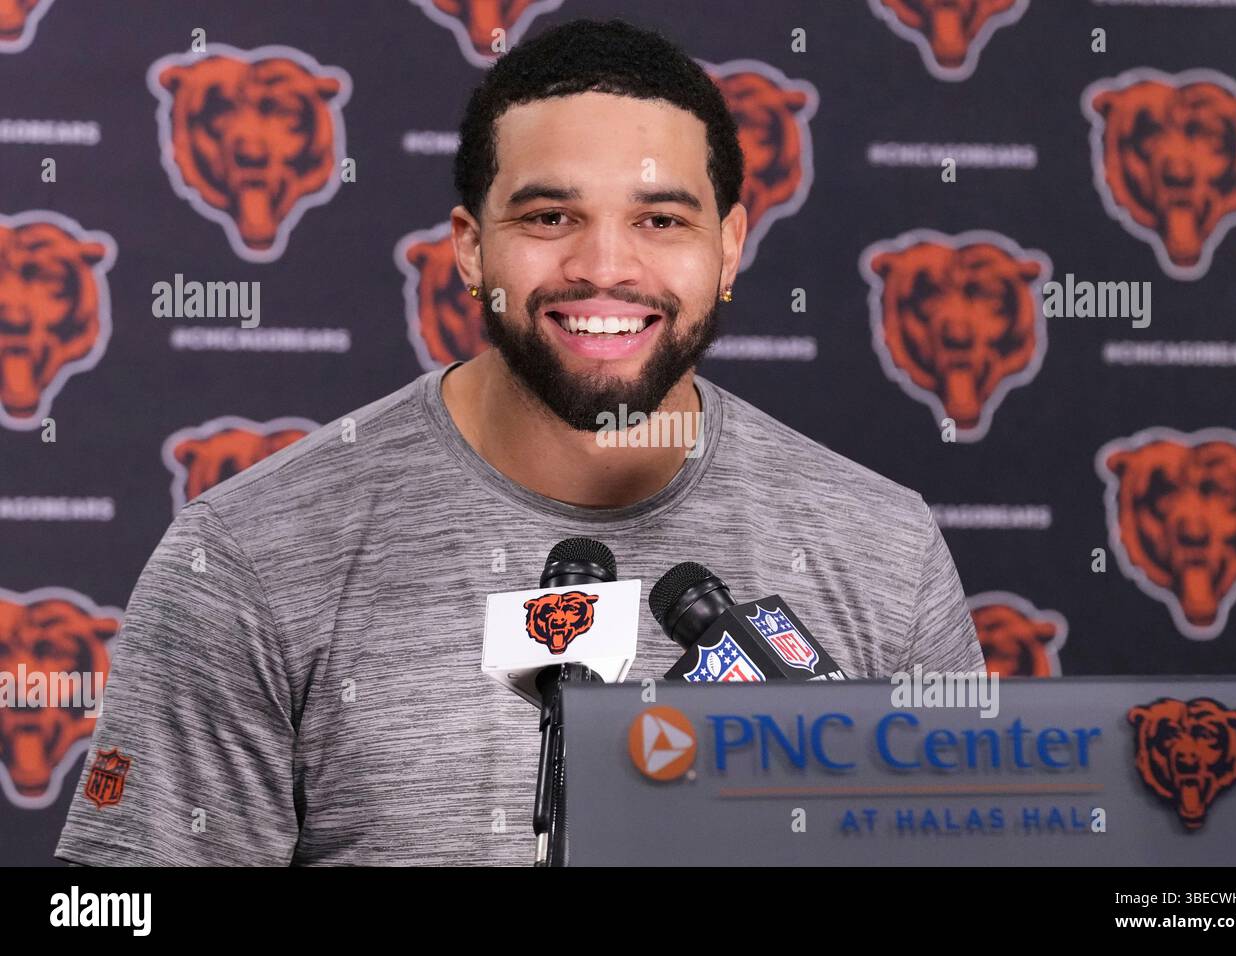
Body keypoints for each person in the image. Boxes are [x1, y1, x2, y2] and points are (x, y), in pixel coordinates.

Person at [57, 16, 983, 866]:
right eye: (550, 218)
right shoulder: (250, 558)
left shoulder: (884, 553)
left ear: (731, 248)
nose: (606, 268)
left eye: (661, 220)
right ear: (469, 248)